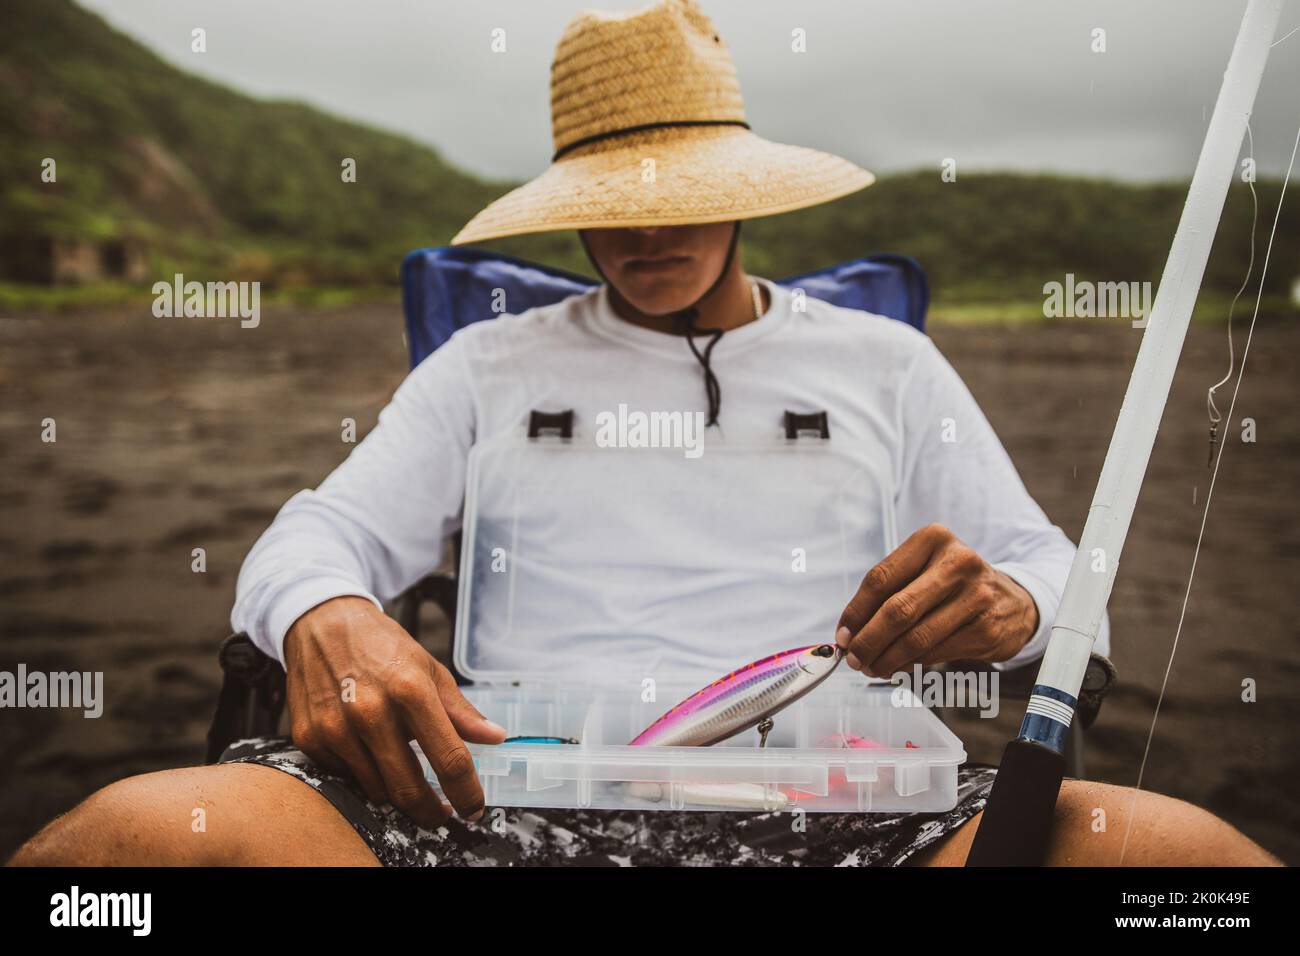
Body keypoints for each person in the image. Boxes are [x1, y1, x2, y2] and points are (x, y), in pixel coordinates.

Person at [9, 0, 1278, 868]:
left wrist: (1009, 607)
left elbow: (1070, 590)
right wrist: (320, 612)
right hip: (505, 807)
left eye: (682, 197)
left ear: (743, 190)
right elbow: (316, 531)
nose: (642, 231)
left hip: (848, 814)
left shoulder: (887, 363)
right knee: (120, 846)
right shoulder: (487, 363)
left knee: (1194, 869)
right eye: (610, 201)